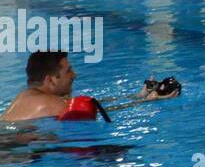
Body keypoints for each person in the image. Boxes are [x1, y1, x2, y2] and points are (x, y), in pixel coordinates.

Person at [2, 52, 180, 122]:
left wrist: (138, 97)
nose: (74, 75)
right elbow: (93, 112)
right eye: (68, 71)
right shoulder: (50, 104)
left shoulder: (28, 96)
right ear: (51, 80)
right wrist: (151, 101)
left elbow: (89, 104)